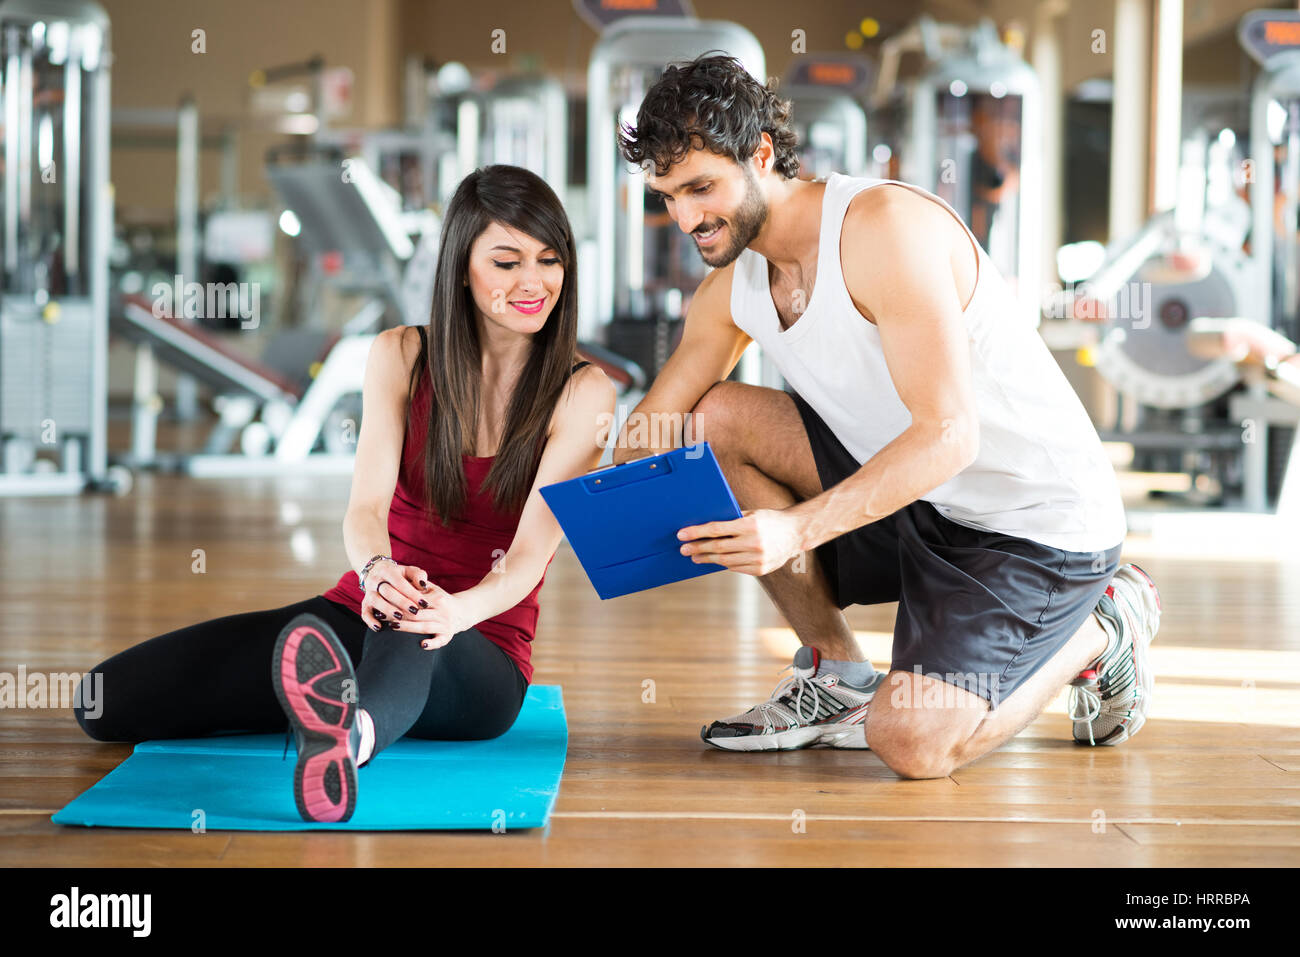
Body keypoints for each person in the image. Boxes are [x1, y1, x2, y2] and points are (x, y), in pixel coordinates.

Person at [612, 55, 1160, 777]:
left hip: (1031, 526)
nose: (684, 218)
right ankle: (835, 675)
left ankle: (1108, 619)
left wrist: (795, 528)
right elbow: (653, 429)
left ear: (762, 154)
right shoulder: (734, 285)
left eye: (700, 188)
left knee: (910, 742)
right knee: (713, 418)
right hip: (922, 499)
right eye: (667, 195)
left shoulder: (883, 229)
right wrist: (579, 471)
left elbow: (948, 435)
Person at [74, 165, 616, 822]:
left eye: (549, 260)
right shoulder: (401, 355)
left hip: (480, 650)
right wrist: (377, 570)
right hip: (363, 609)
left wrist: (452, 610)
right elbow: (364, 506)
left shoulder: (584, 392)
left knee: (408, 620)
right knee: (103, 700)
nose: (533, 282)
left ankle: (345, 742)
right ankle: (328, 697)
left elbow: (530, 555)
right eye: (507, 261)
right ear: (462, 269)